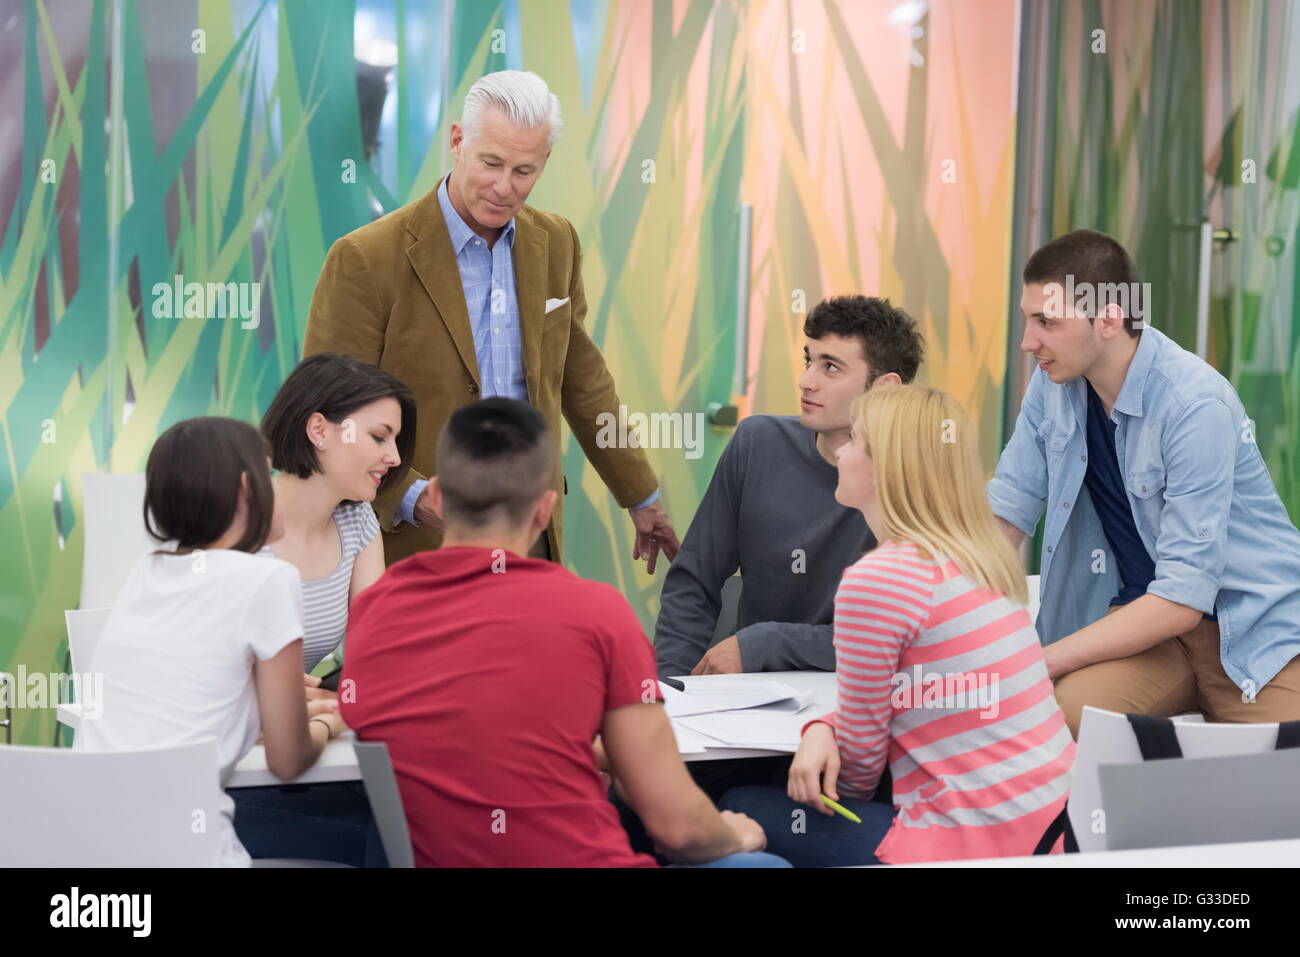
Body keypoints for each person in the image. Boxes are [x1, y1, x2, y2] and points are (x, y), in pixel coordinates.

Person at [339, 398, 787, 867]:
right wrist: (734, 834)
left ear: (433, 497)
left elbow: (459, 730)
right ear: (543, 509)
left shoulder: (375, 611)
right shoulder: (597, 613)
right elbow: (679, 829)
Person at [304, 69, 678, 569]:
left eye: (524, 171)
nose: (504, 187)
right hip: (413, 548)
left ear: (545, 162)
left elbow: (583, 383)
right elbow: (329, 413)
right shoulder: (366, 258)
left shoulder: (557, 243)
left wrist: (641, 495)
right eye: (491, 163)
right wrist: (415, 498)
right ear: (458, 141)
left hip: (531, 540)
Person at [720, 385, 1075, 866]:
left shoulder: (880, 579)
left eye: (855, 441)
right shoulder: (979, 557)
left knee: (735, 803)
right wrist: (824, 728)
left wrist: (822, 736)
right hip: (1056, 829)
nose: (840, 451)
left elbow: (860, 773)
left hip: (972, 844)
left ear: (887, 466)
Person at [988, 229, 1300, 737]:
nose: (1028, 342)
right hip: (1143, 630)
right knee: (1058, 720)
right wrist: (945, 629)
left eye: (1047, 322)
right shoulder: (1054, 384)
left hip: (1253, 631)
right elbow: (1005, 515)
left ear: (1109, 319)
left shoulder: (1195, 405)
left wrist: (1041, 660)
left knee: (1288, 773)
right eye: (1027, 318)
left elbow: (1181, 599)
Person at [74, 417, 347, 867]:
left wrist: (256, 715)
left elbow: (178, 698)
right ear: (247, 489)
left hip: (89, 857)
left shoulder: (148, 569)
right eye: (270, 474)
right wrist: (329, 723)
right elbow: (288, 759)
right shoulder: (269, 579)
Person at [655, 295, 924, 678]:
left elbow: (902, 636)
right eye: (809, 360)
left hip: (863, 695)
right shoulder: (757, 443)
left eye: (830, 367)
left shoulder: (917, 480)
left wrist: (767, 642)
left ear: (884, 388)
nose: (806, 381)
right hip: (750, 697)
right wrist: (672, 693)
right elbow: (693, 582)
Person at [226, 354, 417, 866]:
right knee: (396, 836)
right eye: (380, 437)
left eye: (396, 440)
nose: (395, 457)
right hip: (219, 775)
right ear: (319, 430)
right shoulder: (232, 518)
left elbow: (372, 668)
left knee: (414, 819)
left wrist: (322, 707)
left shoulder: (360, 527)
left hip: (298, 757)